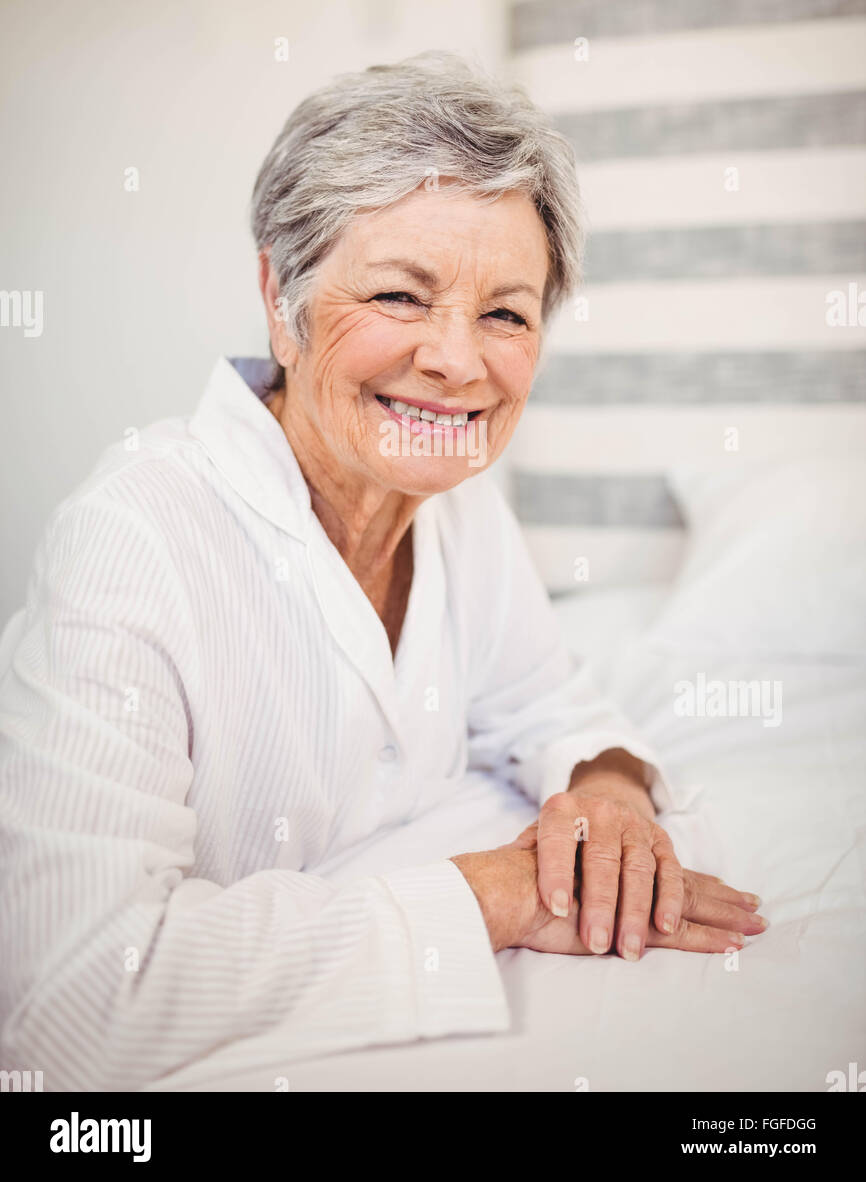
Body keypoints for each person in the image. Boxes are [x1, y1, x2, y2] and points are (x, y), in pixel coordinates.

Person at [0, 53, 765, 1091]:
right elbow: (76, 1001)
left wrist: (609, 789)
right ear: (282, 294)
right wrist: (498, 893)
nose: (458, 361)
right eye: (402, 295)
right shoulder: (134, 537)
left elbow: (546, 700)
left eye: (505, 312)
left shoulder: (458, 506)